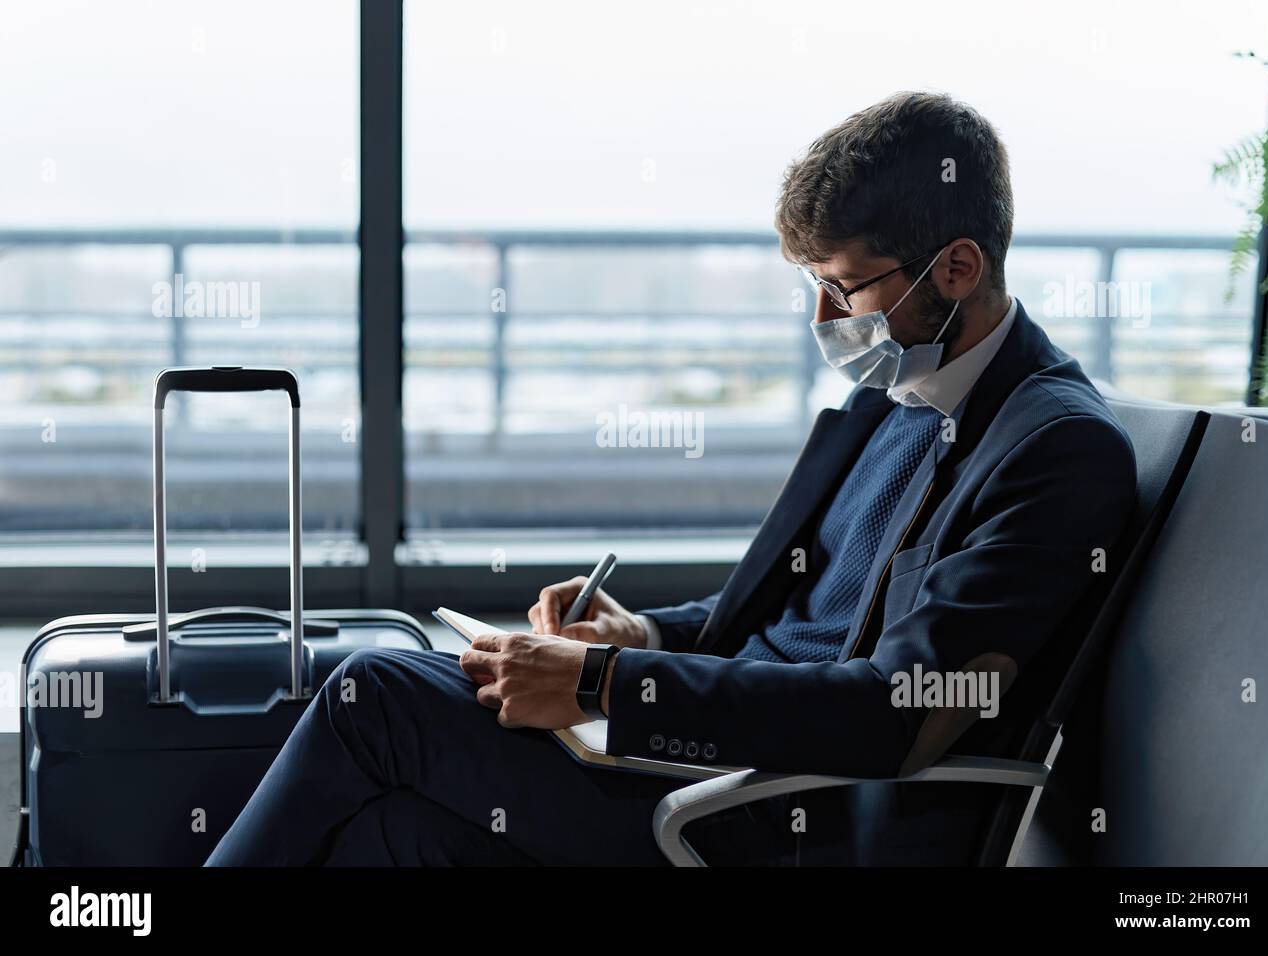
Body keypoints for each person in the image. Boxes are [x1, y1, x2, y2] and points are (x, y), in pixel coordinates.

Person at [206, 91, 1136, 866]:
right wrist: (641, 632)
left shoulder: (1055, 452)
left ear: (959, 267)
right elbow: (785, 616)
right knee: (392, 837)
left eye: (842, 287)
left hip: (785, 810)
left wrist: (608, 682)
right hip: (711, 754)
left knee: (376, 695)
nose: (821, 317)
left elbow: (898, 710)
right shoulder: (900, 395)